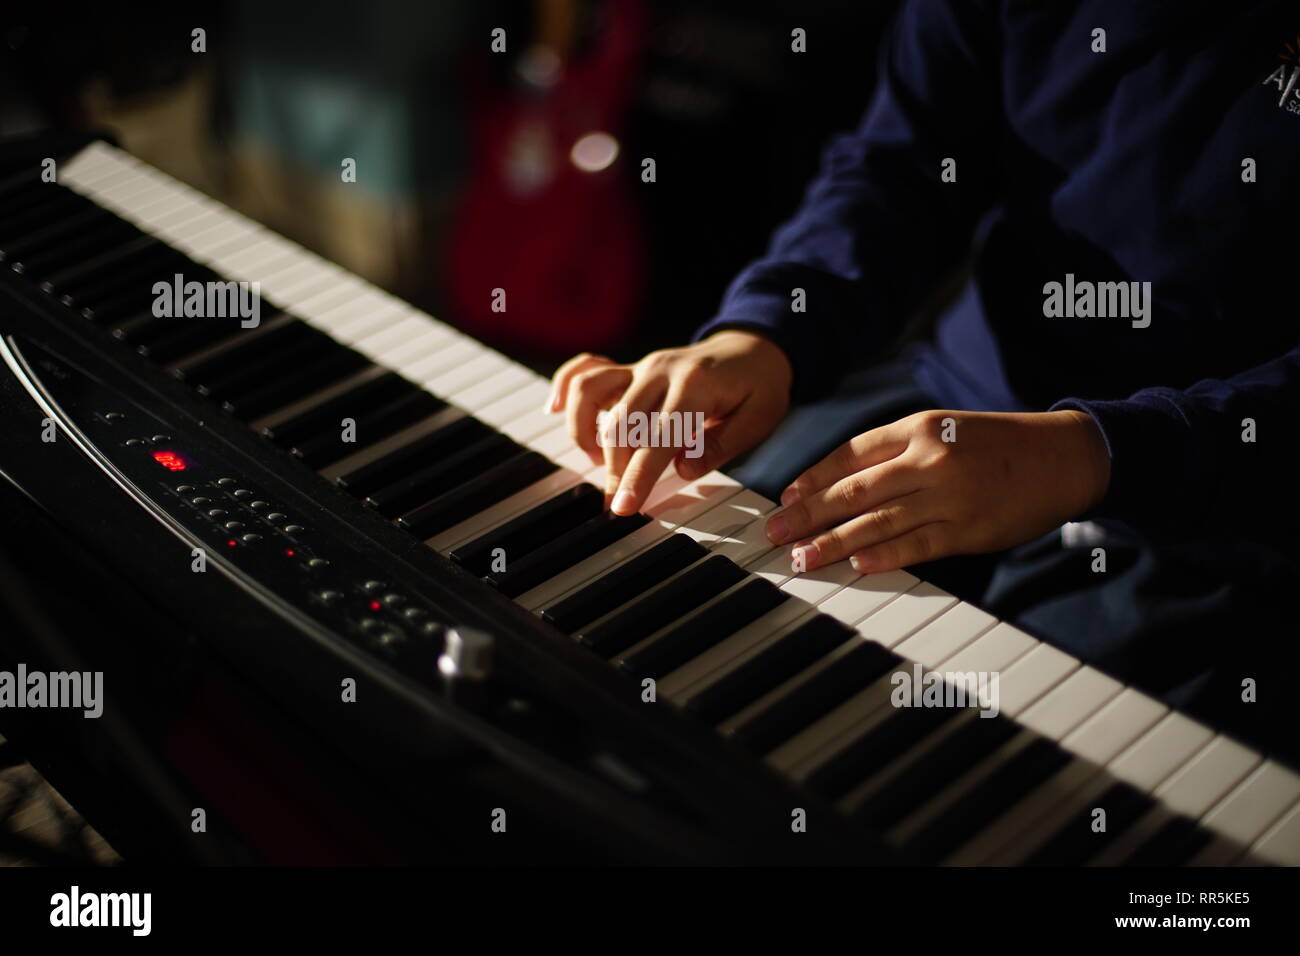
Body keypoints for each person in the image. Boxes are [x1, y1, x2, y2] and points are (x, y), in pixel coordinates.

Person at [545, 0, 1300, 759]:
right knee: (643, 635)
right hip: (948, 403)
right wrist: (765, 333)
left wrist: (1095, 452)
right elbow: (902, 165)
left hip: (1218, 511)